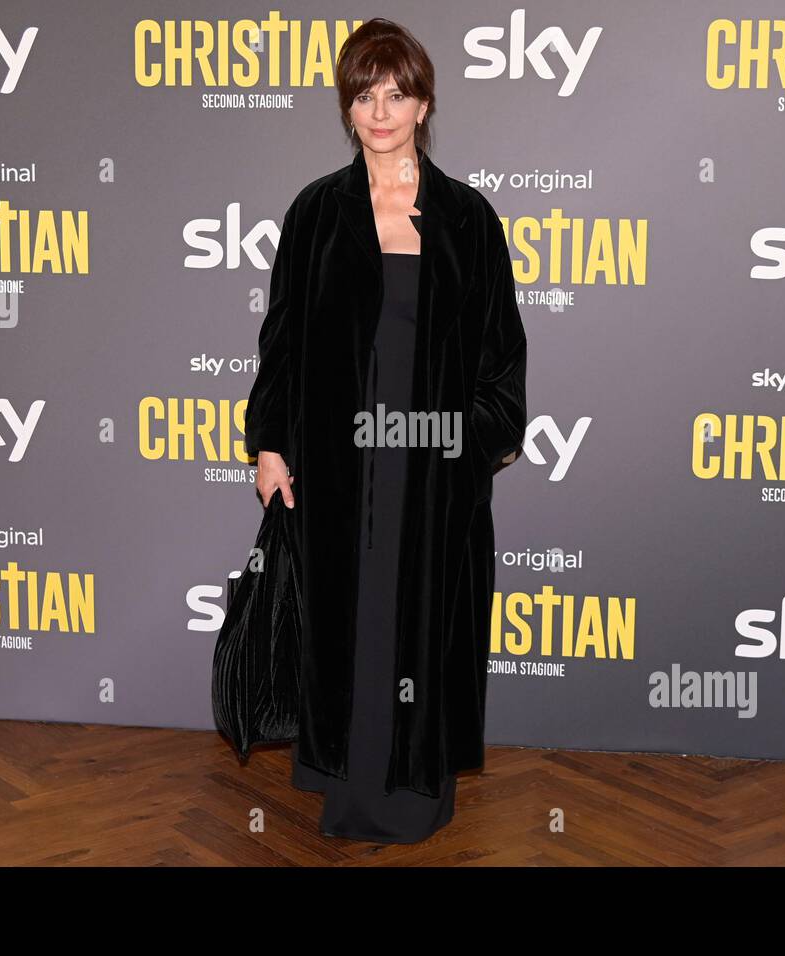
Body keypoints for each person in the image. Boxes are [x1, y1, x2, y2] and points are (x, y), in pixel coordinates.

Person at [244, 18, 527, 844]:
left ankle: (416, 791)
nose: (379, 111)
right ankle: (354, 788)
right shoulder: (317, 212)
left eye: (395, 94)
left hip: (431, 471)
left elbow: (501, 358)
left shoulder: (468, 219)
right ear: (347, 107)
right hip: (338, 470)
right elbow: (282, 342)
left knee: (423, 625)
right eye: (364, 95)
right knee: (347, 624)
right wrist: (269, 443)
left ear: (423, 101)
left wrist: (467, 443)